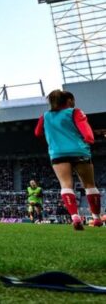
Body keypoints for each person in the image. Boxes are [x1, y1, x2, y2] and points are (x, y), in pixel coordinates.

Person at [35, 90, 102, 230]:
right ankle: (96, 219)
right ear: (69, 100)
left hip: (57, 153)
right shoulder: (75, 112)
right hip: (79, 150)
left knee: (65, 185)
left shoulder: (45, 116)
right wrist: (88, 140)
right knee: (89, 184)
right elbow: (88, 134)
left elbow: (37, 132)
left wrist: (52, 138)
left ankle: (75, 217)